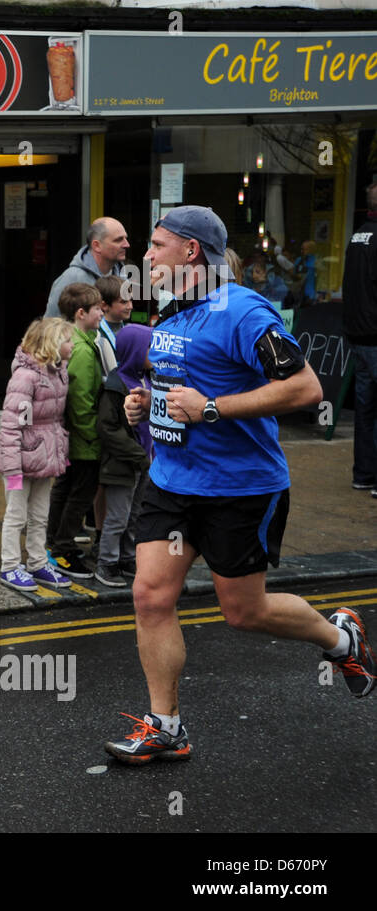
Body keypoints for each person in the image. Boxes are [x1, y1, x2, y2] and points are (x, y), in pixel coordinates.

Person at [107, 205, 372, 765]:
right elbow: (176, 381)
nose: (146, 256)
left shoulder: (243, 311)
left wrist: (211, 410)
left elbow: (305, 389)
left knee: (243, 613)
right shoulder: (173, 310)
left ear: (190, 252)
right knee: (150, 595)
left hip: (239, 488)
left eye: (157, 245)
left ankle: (339, 638)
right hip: (171, 482)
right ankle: (166, 726)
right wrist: (145, 403)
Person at [0, 317, 74, 592]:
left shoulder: (57, 371)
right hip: (19, 462)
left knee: (40, 515)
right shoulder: (26, 377)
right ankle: (10, 566)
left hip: (44, 459)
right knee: (16, 515)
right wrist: (13, 471)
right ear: (52, 343)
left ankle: (37, 563)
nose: (72, 345)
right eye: (67, 340)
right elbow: (11, 425)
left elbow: (53, 421)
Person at [46, 283, 106, 579]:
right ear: (81, 313)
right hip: (84, 441)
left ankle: (53, 543)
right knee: (80, 495)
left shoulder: (80, 341)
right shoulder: (81, 351)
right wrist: (96, 436)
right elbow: (81, 402)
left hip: (73, 437)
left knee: (65, 489)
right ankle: (63, 548)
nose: (102, 312)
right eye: (97, 309)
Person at [94, 323, 151, 588]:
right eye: (150, 348)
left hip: (144, 461)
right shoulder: (115, 386)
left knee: (135, 514)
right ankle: (106, 563)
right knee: (117, 516)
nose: (156, 354)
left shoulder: (146, 379)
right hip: (123, 464)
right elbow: (107, 429)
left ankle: (128, 558)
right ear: (135, 351)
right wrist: (138, 454)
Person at [343, 183, 377, 494]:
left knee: (365, 410)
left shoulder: (357, 236)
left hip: (358, 335)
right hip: (373, 336)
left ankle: (364, 473)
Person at [44, 217, 129, 318]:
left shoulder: (121, 276)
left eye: (126, 238)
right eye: (118, 240)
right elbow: (52, 326)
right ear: (97, 246)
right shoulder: (72, 278)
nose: (126, 245)